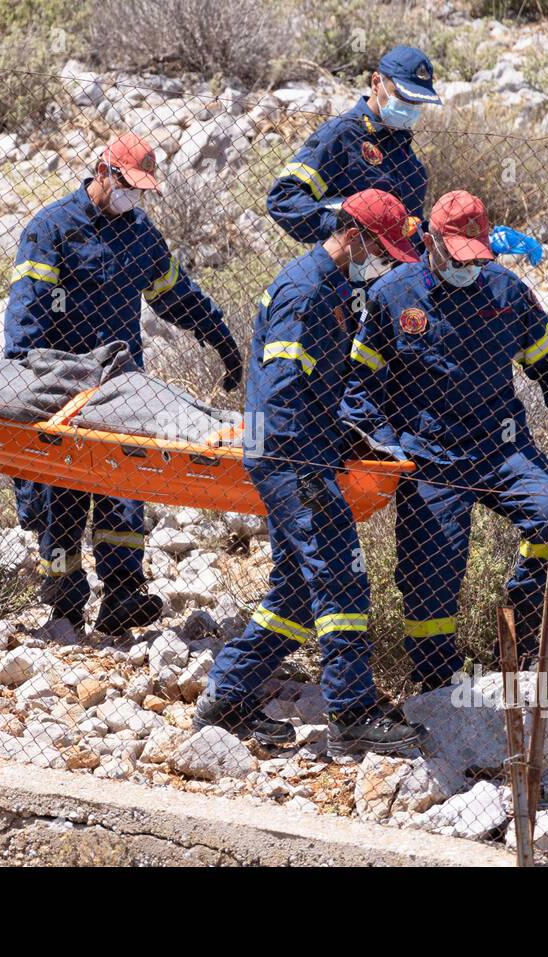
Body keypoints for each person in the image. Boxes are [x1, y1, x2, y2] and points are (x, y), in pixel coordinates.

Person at [196, 189, 424, 758]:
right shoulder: (306, 293)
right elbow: (280, 394)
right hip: (291, 455)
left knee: (296, 591)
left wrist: (344, 433)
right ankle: (351, 713)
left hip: (299, 450)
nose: (387, 262)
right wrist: (316, 452)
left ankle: (227, 695)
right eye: (382, 250)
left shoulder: (333, 287)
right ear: (355, 236)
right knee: (341, 576)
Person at [341, 190, 548, 690]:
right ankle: (438, 686)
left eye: (475, 258)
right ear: (432, 242)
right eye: (457, 257)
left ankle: (522, 645)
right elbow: (361, 386)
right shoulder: (393, 295)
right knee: (427, 577)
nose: (467, 268)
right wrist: (382, 443)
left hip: (501, 447)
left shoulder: (507, 291)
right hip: (428, 458)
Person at [4, 132, 242, 635]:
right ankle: (65, 604)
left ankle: (124, 595)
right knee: (61, 492)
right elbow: (26, 310)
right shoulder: (53, 228)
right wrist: (23, 378)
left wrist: (221, 340)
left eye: (140, 188)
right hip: (62, 381)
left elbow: (178, 296)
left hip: (120, 383)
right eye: (127, 184)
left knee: (123, 485)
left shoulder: (141, 235)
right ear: (102, 171)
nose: (132, 196)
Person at [266, 45, 543, 264]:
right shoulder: (342, 135)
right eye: (403, 97)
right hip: (343, 277)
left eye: (417, 101)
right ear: (376, 82)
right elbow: (283, 198)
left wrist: (479, 241)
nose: (410, 107)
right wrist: (345, 226)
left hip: (390, 285)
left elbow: (408, 231)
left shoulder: (407, 158)